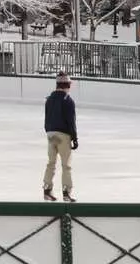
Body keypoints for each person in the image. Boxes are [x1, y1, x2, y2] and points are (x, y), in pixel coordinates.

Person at [43, 73, 78, 203]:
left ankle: (47, 189)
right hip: (63, 135)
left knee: (51, 163)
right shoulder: (68, 100)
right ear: (67, 85)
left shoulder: (49, 99)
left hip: (51, 134)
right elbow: (71, 121)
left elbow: (46, 118)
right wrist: (74, 138)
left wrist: (49, 132)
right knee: (66, 165)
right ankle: (66, 192)